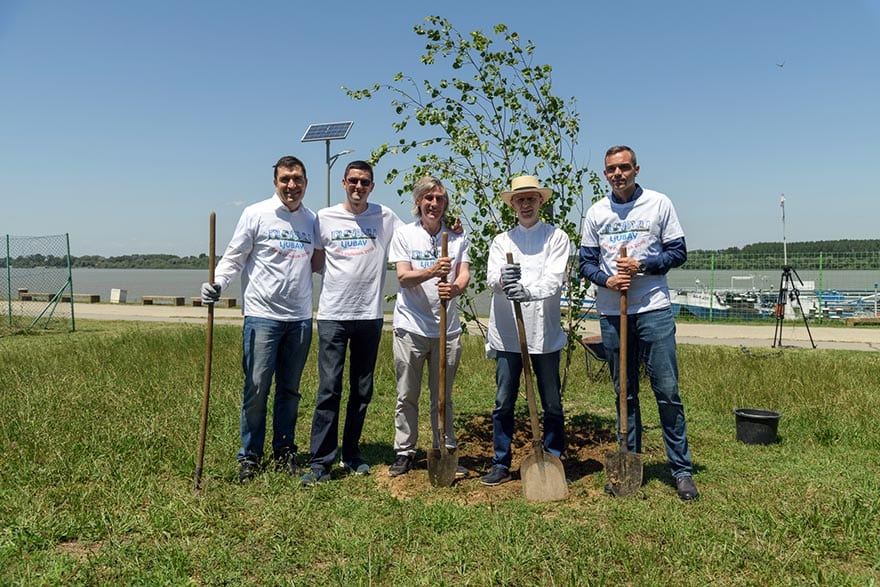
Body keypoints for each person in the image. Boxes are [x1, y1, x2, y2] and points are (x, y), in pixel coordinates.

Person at [579, 145, 699, 501]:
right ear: (605, 174)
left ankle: (681, 470)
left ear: (636, 169)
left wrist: (642, 265)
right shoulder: (596, 213)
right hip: (613, 312)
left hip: (653, 308)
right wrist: (607, 280)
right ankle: (628, 464)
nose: (618, 174)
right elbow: (585, 262)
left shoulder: (659, 204)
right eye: (612, 169)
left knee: (667, 390)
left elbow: (678, 252)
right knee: (623, 393)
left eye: (624, 168)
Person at [201, 155, 323, 483]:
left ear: (305, 183)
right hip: (262, 317)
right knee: (256, 387)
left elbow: (319, 263)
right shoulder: (255, 214)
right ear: (275, 182)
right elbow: (235, 257)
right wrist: (216, 283)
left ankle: (284, 451)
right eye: (285, 179)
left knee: (290, 390)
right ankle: (250, 455)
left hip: (299, 319)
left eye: (297, 179)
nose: (291, 185)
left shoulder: (312, 221)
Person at [300, 160, 403, 485]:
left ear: (371, 187)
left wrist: (450, 227)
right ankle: (320, 461)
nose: (359, 187)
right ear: (344, 183)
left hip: (369, 318)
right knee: (329, 388)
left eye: (365, 183)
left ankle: (352, 452)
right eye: (354, 181)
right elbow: (316, 261)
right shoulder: (325, 218)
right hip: (332, 316)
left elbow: (414, 235)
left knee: (362, 389)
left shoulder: (385, 217)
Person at [481, 175, 569, 487]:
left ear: (540, 201)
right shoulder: (501, 241)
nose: (526, 204)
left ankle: (554, 456)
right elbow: (490, 280)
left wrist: (527, 291)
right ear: (513, 205)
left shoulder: (556, 238)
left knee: (551, 401)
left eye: (531, 198)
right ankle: (501, 463)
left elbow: (554, 279)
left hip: (543, 333)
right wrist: (504, 280)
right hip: (508, 334)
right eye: (520, 199)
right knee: (504, 400)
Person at [386, 176, 471, 478]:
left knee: (443, 396)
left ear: (445, 204)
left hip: (447, 331)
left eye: (439, 199)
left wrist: (456, 288)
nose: (434, 204)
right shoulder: (404, 235)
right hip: (411, 327)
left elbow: (464, 274)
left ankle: (445, 449)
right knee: (407, 394)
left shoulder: (458, 236)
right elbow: (404, 277)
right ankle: (404, 452)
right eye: (428, 198)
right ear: (419, 202)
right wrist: (433, 270)